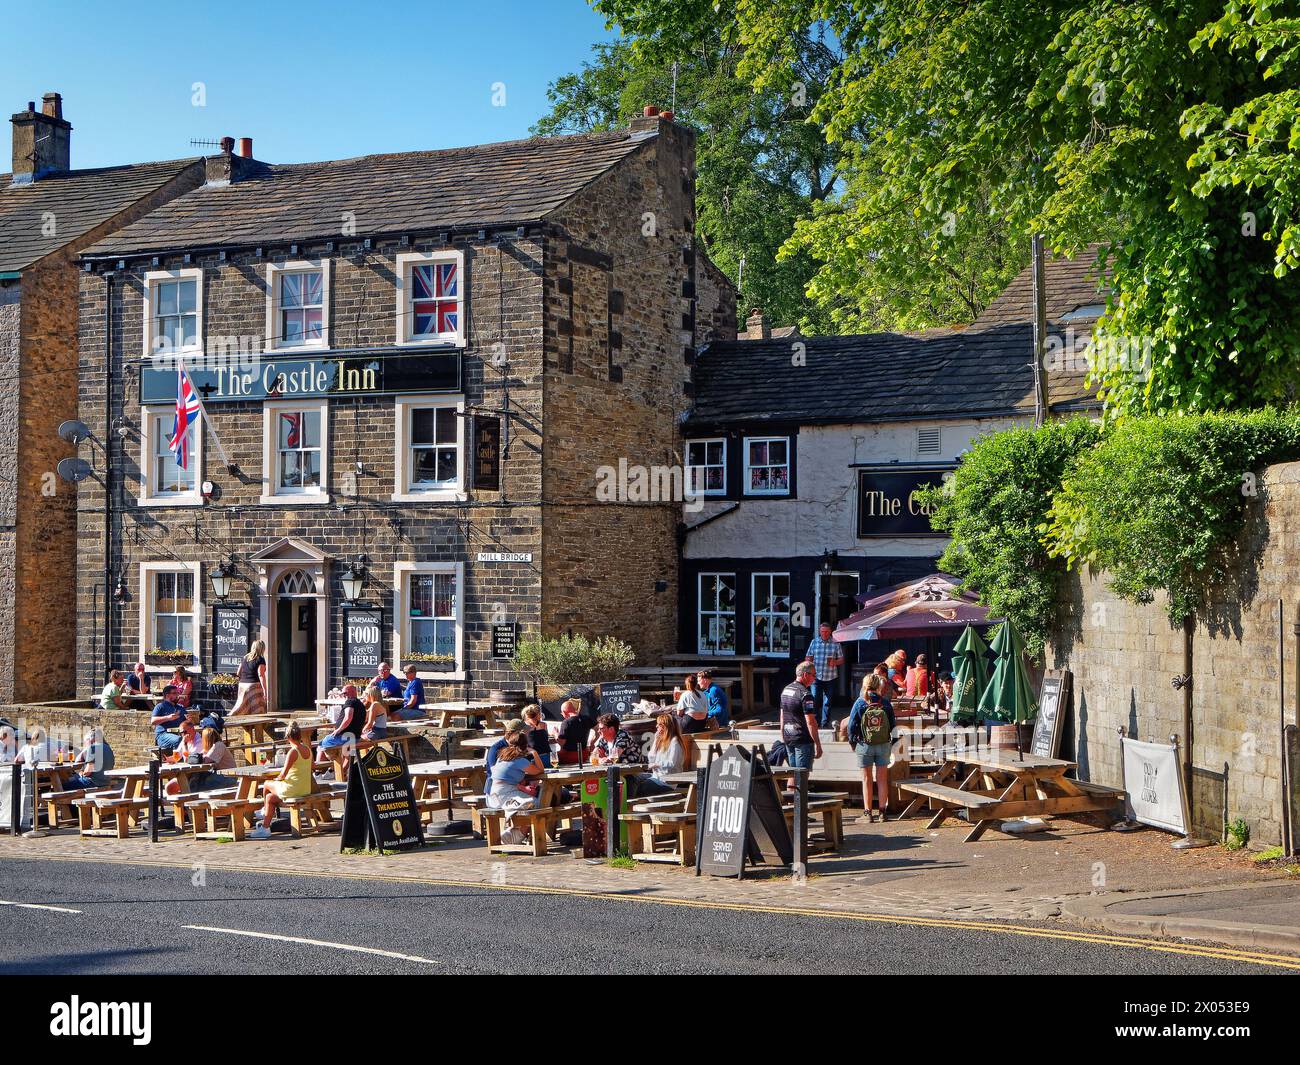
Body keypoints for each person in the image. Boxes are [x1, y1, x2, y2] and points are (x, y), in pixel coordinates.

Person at [248, 723, 313, 839]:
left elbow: (283, 774)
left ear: (288, 738)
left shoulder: (293, 751)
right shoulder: (308, 749)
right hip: (305, 788)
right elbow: (311, 765)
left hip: (293, 788)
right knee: (270, 798)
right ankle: (265, 828)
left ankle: (264, 810)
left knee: (267, 784)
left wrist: (277, 779)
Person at [848, 679, 897, 821]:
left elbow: (851, 726)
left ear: (864, 685)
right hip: (883, 744)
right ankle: (882, 812)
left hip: (864, 744)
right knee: (882, 779)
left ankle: (867, 813)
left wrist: (853, 743)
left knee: (866, 779)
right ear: (879, 686)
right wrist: (891, 743)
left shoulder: (860, 702)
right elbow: (893, 726)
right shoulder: (886, 703)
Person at [779, 662, 821, 770]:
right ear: (805, 675)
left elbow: (782, 716)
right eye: (814, 675)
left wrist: (783, 735)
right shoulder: (805, 694)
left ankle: (790, 788)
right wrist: (818, 744)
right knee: (801, 777)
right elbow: (810, 722)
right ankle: (800, 788)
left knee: (791, 774)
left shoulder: (786, 690)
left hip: (788, 736)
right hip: (803, 739)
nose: (815, 678)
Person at [633, 711, 684, 797]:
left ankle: (639, 806)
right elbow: (651, 758)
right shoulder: (661, 740)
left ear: (666, 727)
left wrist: (656, 765)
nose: (656, 726)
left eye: (659, 725)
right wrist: (656, 740)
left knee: (643, 787)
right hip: (657, 777)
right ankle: (628, 805)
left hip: (667, 781)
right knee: (633, 779)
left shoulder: (675, 741)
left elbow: (672, 763)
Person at [803, 622, 845, 728]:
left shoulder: (836, 643)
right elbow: (808, 657)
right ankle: (816, 722)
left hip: (830, 677)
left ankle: (824, 723)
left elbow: (841, 659)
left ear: (830, 632)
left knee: (828, 701)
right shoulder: (814, 642)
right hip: (816, 677)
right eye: (822, 632)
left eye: (826, 632)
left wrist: (835, 662)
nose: (824, 634)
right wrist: (809, 661)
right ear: (819, 632)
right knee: (815, 699)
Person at [318, 684, 365, 773]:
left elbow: (348, 717)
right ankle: (341, 773)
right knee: (347, 753)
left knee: (321, 745)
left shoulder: (350, 702)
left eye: (345, 693)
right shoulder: (361, 705)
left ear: (352, 692)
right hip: (355, 737)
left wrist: (338, 729)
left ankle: (319, 771)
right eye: (342, 693)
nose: (343, 695)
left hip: (346, 736)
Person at [483, 717, 526, 790]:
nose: (526, 734)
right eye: (523, 732)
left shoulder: (519, 745)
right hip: (495, 789)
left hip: (513, 785)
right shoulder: (496, 749)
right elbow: (494, 772)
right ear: (515, 733)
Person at [233, 640, 267, 716]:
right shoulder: (260, 659)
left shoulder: (245, 657)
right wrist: (265, 690)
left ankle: (246, 725)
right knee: (258, 709)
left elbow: (238, 672)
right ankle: (257, 726)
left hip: (242, 685)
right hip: (253, 685)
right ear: (262, 648)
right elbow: (261, 675)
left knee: (243, 707)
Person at [150, 686, 185, 753]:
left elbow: (186, 720)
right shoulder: (160, 706)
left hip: (179, 733)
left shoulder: (180, 707)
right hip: (163, 735)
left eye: (177, 693)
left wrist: (190, 719)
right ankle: (177, 760)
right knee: (179, 740)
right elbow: (153, 721)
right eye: (174, 693)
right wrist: (168, 718)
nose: (177, 695)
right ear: (167, 695)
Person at [555, 702, 589, 766]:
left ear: (564, 712)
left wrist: (555, 734)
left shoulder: (566, 722)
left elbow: (561, 743)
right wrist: (593, 741)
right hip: (584, 755)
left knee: (550, 758)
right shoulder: (586, 718)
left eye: (562, 713)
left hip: (568, 756)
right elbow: (597, 728)